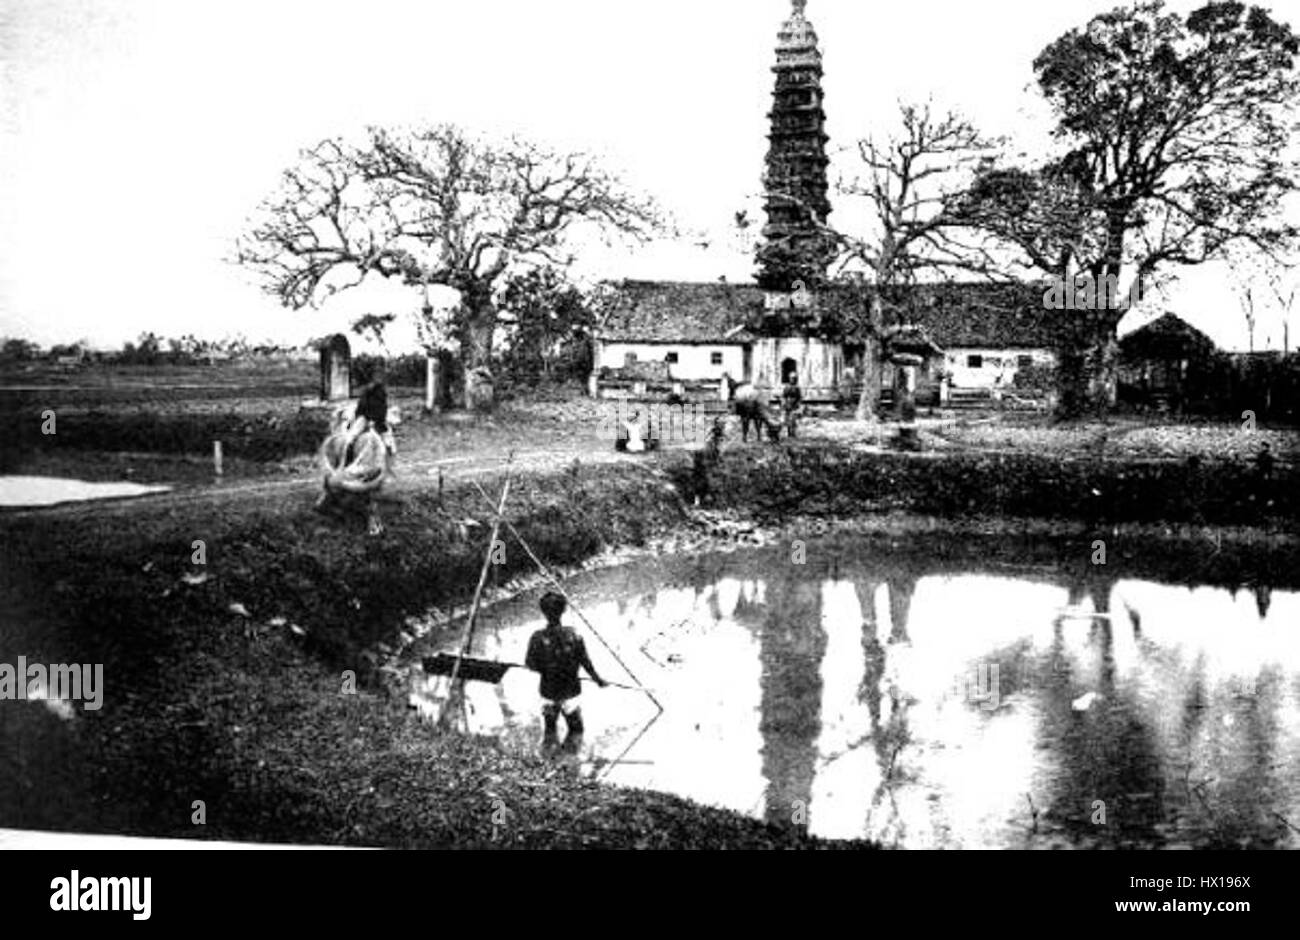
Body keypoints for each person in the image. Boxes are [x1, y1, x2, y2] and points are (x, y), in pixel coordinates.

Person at [524, 591, 607, 753]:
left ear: (543, 612)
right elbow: (586, 662)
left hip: (548, 692)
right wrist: (598, 680)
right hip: (571, 691)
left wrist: (546, 667)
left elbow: (530, 665)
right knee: (576, 730)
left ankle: (550, 759)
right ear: (563, 610)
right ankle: (570, 761)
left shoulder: (537, 637)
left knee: (549, 729)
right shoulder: (574, 634)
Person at [315, 381, 392, 536]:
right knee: (369, 481)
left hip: (342, 468)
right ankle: (370, 520)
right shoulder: (371, 435)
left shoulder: (350, 418)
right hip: (352, 473)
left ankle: (331, 500)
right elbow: (378, 462)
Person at [780, 372, 803, 438]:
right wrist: (784, 403)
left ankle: (793, 433)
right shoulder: (787, 387)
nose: (792, 380)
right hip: (787, 404)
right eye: (791, 378)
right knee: (787, 419)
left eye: (794, 378)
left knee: (793, 419)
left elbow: (799, 397)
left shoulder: (797, 388)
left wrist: (798, 404)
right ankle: (789, 432)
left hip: (794, 405)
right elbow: (784, 396)